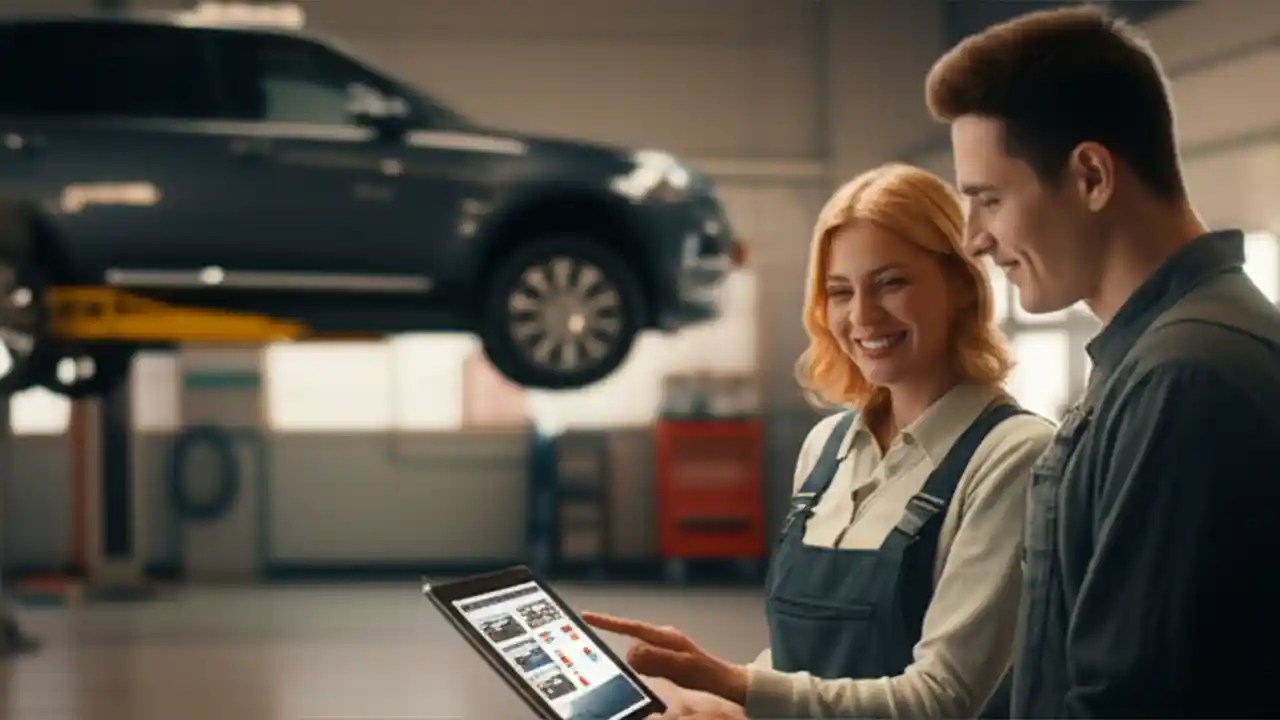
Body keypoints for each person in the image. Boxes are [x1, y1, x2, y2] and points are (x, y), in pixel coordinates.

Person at [586, 163, 1055, 719]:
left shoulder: (1012, 456)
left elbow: (940, 701)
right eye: (839, 292)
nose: (862, 315)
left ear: (959, 284)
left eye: (892, 283)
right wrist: (709, 703)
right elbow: (801, 671)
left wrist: (736, 685)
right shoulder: (827, 448)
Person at [925, 6, 1280, 718]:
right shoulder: (1153, 358)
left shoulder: (1186, 377)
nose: (974, 240)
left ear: (1090, 175)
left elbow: (1126, 701)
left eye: (989, 199)